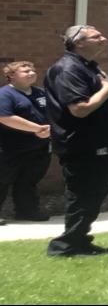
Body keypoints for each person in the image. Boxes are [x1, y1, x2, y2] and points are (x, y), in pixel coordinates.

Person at [44, 25, 108, 256]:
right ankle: (64, 246)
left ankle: (79, 240)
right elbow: (79, 109)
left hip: (98, 143)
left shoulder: (88, 67)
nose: (103, 38)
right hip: (82, 145)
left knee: (93, 194)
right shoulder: (68, 69)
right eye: (96, 36)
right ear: (78, 42)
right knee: (82, 195)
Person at [0, 61, 56, 225]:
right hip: (10, 149)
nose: (31, 72)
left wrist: (49, 130)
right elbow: (5, 117)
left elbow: (53, 113)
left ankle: (27, 211)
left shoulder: (40, 93)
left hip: (38, 148)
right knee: (2, 181)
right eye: (25, 70)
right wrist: (37, 129)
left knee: (28, 181)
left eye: (32, 69)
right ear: (11, 75)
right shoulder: (5, 94)